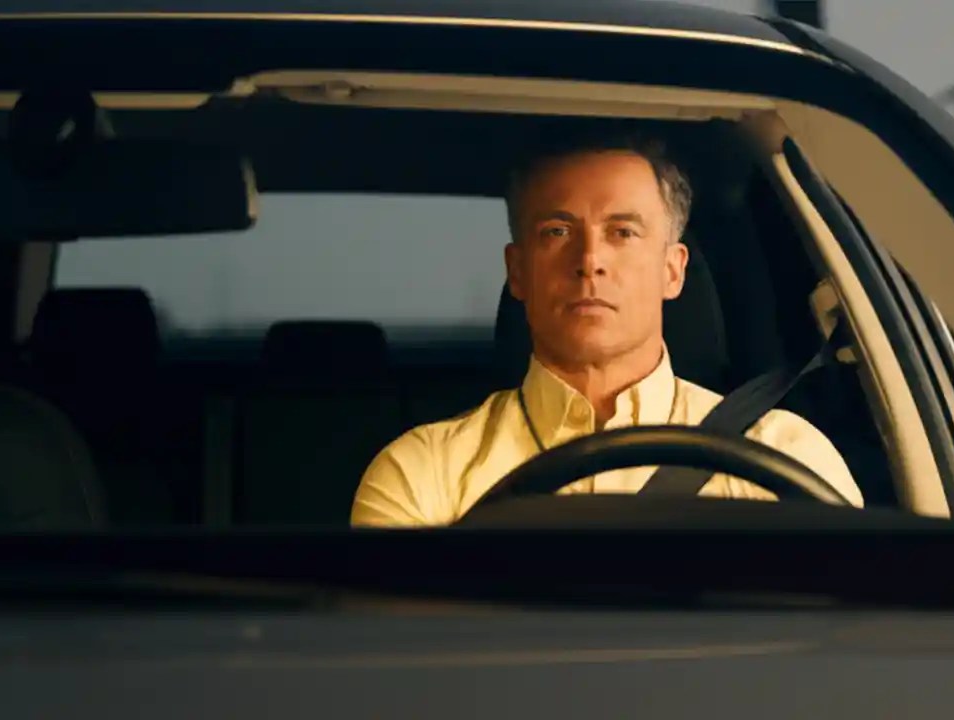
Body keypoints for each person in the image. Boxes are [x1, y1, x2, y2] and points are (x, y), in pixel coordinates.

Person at [351, 132, 863, 527]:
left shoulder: (785, 458)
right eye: (557, 231)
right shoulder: (423, 473)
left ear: (673, 270)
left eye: (622, 232)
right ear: (518, 271)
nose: (590, 259)